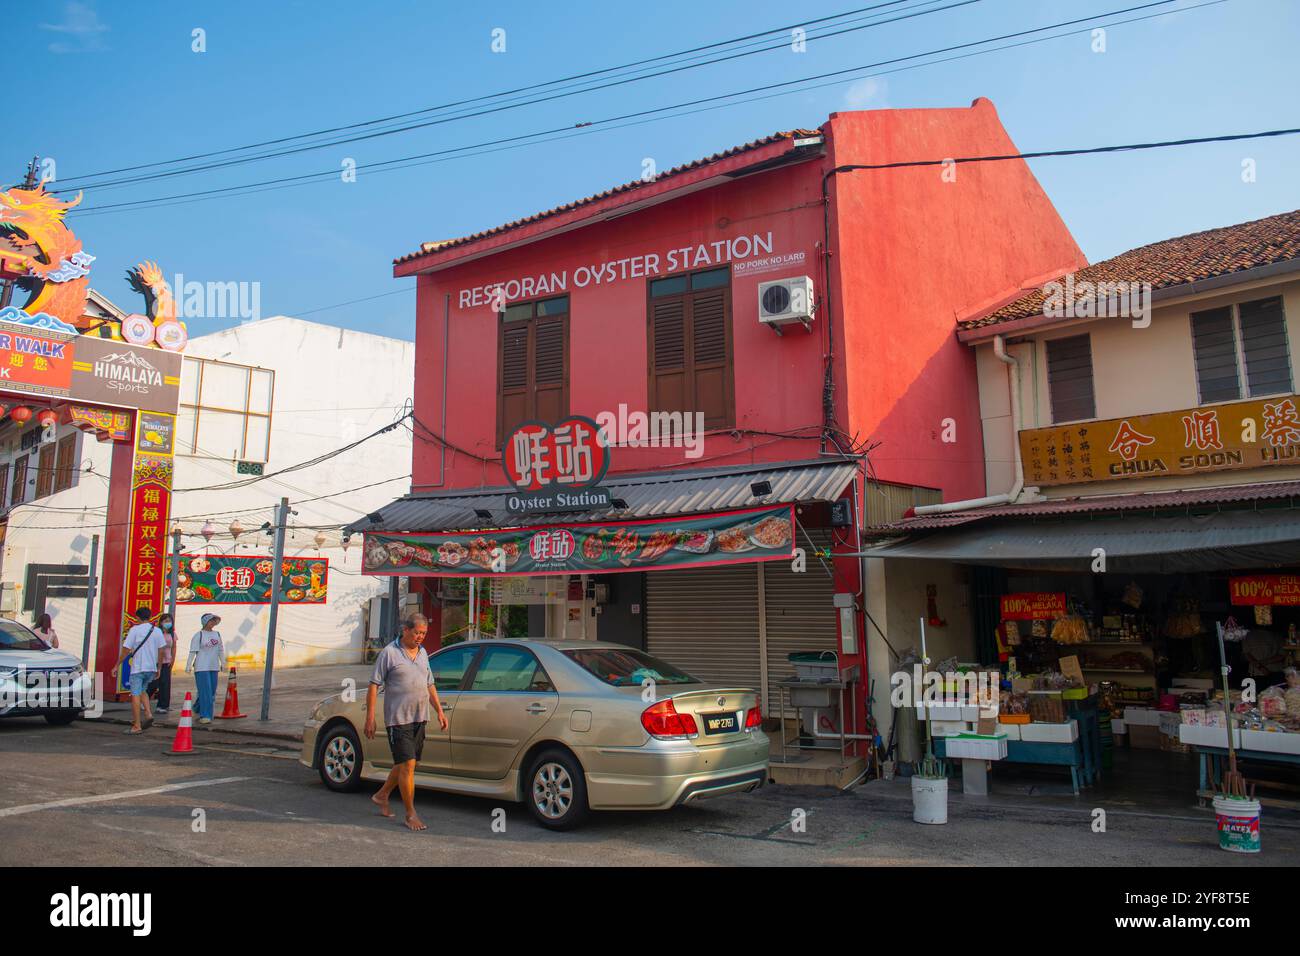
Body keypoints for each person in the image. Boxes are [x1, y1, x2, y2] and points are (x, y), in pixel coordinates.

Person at [365, 614, 448, 832]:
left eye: (423, 634)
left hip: (420, 716)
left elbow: (429, 684)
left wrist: (439, 710)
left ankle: (382, 795)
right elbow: (374, 684)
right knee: (408, 765)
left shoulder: (422, 653)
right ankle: (410, 814)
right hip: (398, 718)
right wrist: (370, 717)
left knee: (408, 764)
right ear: (406, 630)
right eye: (417, 633)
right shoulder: (389, 653)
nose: (420, 637)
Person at [119, 608, 167, 735]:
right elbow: (161, 650)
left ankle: (137, 725)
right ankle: (148, 713)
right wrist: (159, 667)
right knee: (143, 691)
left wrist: (116, 665)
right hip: (151, 668)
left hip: (138, 668)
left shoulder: (134, 630)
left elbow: (126, 649)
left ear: (137, 618)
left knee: (135, 696)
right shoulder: (156, 631)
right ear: (150, 617)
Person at [186, 613, 226, 724]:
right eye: (211, 620)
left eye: (214, 621)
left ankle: (197, 707)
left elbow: (220, 649)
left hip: (213, 666)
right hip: (201, 667)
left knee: (211, 692)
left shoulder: (217, 634)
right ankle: (206, 715)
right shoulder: (199, 635)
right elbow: (192, 651)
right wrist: (188, 665)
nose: (213, 623)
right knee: (205, 692)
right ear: (205, 622)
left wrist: (223, 662)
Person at [147, 613, 176, 715]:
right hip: (156, 661)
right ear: (161, 622)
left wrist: (172, 659)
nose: (168, 623)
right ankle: (144, 699)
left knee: (165, 684)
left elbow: (174, 647)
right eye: (165, 621)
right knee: (153, 683)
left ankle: (163, 706)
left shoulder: (172, 634)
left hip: (167, 662)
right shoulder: (156, 633)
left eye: (169, 621)